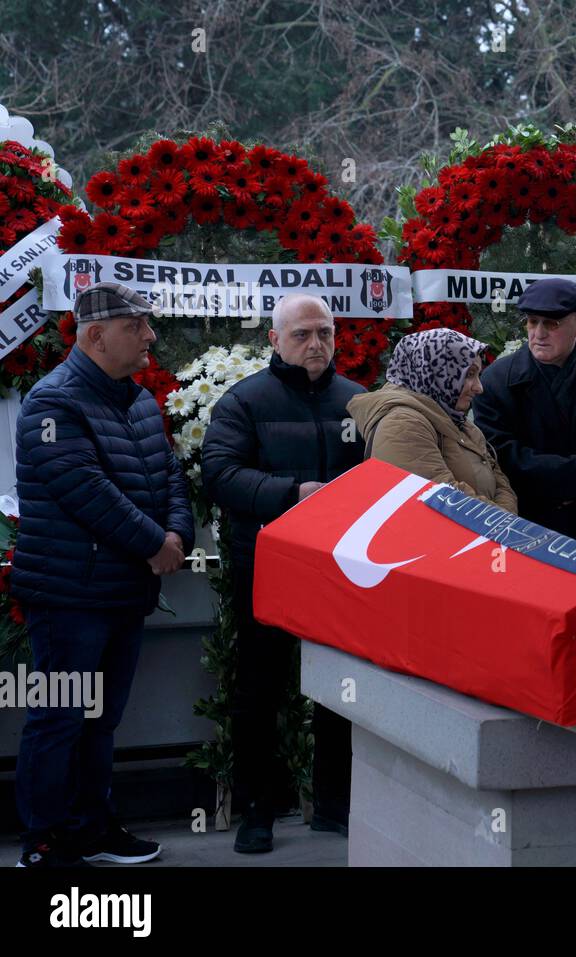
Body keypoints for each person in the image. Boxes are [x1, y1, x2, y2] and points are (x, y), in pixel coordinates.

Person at [12, 282, 194, 868]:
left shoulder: (137, 400)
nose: (150, 336)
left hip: (121, 591)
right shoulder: (51, 403)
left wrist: (178, 537)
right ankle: (45, 841)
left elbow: (170, 475)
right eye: (137, 326)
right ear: (95, 335)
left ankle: (92, 828)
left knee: (100, 719)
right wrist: (156, 543)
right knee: (59, 719)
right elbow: (84, 490)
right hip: (70, 597)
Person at [201, 293, 364, 854]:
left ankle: (335, 807)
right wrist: (292, 495)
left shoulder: (359, 402)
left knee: (342, 691)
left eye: (325, 332)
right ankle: (257, 812)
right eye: (302, 334)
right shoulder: (243, 401)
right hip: (265, 564)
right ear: (274, 340)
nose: (316, 343)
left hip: (340, 569)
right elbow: (220, 474)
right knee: (260, 691)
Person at [474, 279, 576, 558]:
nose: (538, 333)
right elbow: (496, 454)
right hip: (527, 532)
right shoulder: (496, 381)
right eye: (532, 321)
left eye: (551, 323)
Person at [348, 328, 516, 510]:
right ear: (435, 373)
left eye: (478, 375)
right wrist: (505, 524)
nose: (479, 387)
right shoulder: (402, 425)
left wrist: (506, 521)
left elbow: (501, 482)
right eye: (469, 374)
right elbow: (443, 499)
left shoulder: (456, 419)